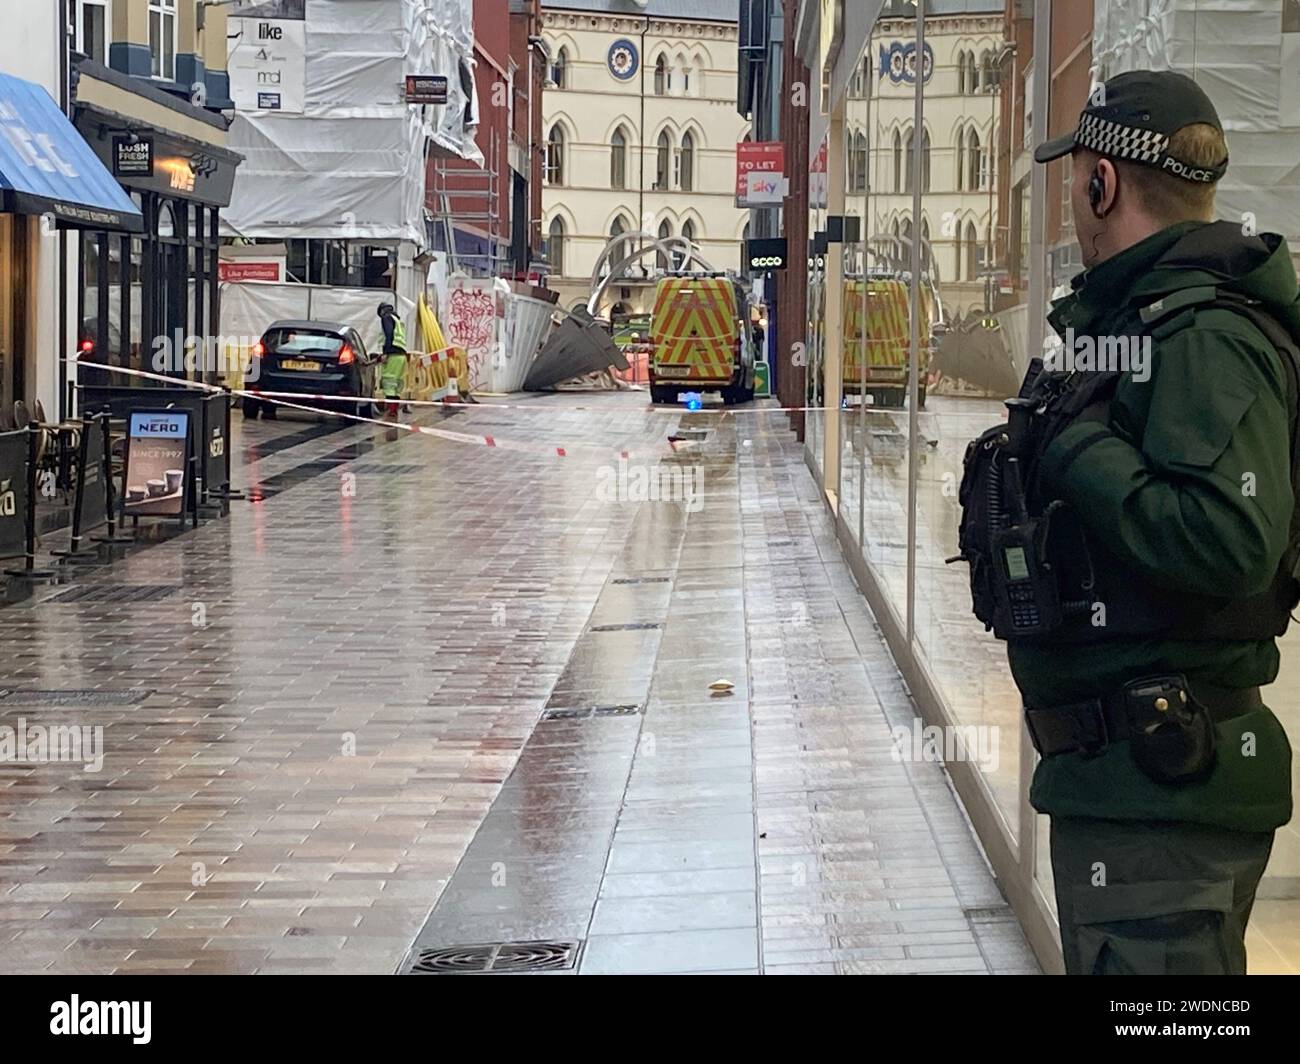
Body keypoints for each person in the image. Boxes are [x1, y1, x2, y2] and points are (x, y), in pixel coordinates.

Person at [957, 70, 1297, 974]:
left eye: (1075, 179)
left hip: (1162, 806)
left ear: (1101, 181)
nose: (1073, 200)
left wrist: (1075, 449)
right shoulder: (1146, 324)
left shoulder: (1203, 336)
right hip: (1130, 788)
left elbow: (1231, 539)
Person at [377, 301, 407, 418]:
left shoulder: (386, 318)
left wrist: (385, 353)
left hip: (393, 354)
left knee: (388, 382)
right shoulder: (398, 320)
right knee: (396, 383)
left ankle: (391, 410)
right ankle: (393, 408)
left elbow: (389, 335)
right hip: (401, 355)